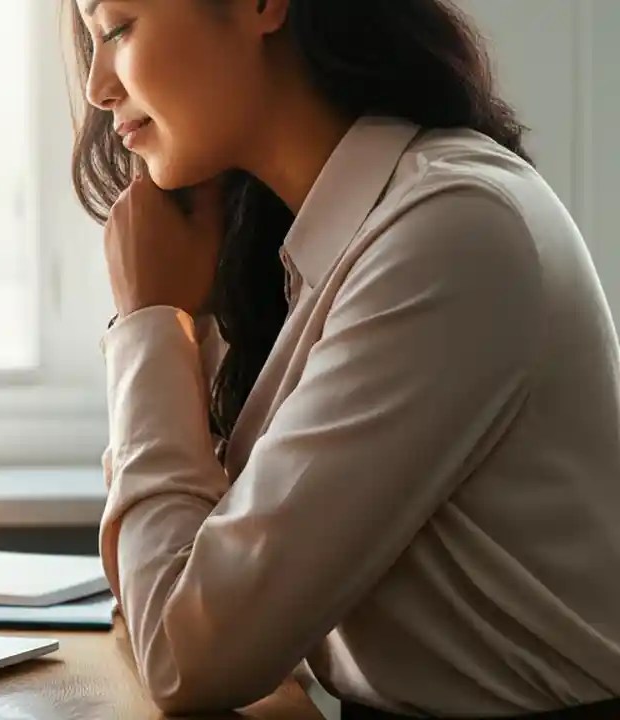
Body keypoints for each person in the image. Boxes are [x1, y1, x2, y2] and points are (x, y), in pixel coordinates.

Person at [70, 0, 620, 717]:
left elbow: (187, 657)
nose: (96, 88)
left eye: (115, 27)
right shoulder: (308, 242)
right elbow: (159, 596)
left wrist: (149, 325)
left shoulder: (448, 231)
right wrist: (181, 321)